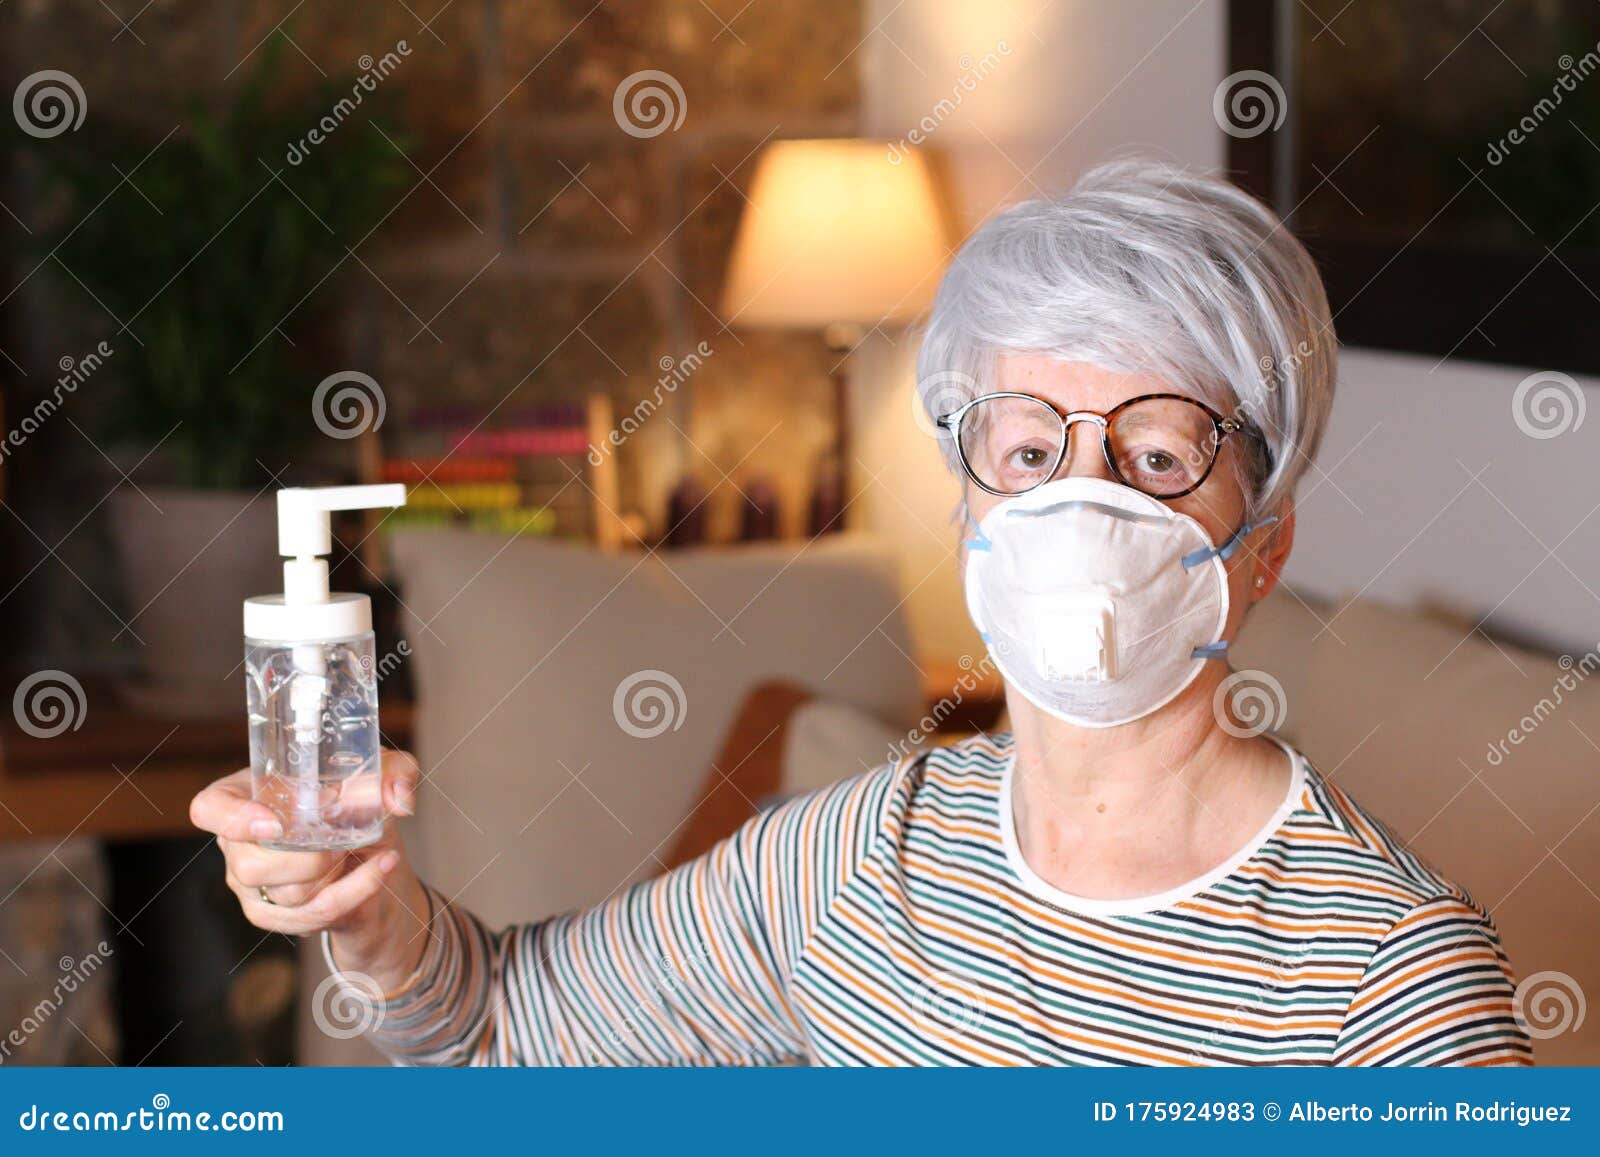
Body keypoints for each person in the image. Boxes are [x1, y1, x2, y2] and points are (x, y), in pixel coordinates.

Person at [191, 157, 1533, 1066]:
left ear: (1263, 543)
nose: (1082, 500)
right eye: (1026, 448)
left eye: (1159, 454)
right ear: (969, 507)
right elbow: (498, 1034)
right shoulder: (853, 861)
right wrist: (366, 911)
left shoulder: (1392, 979)